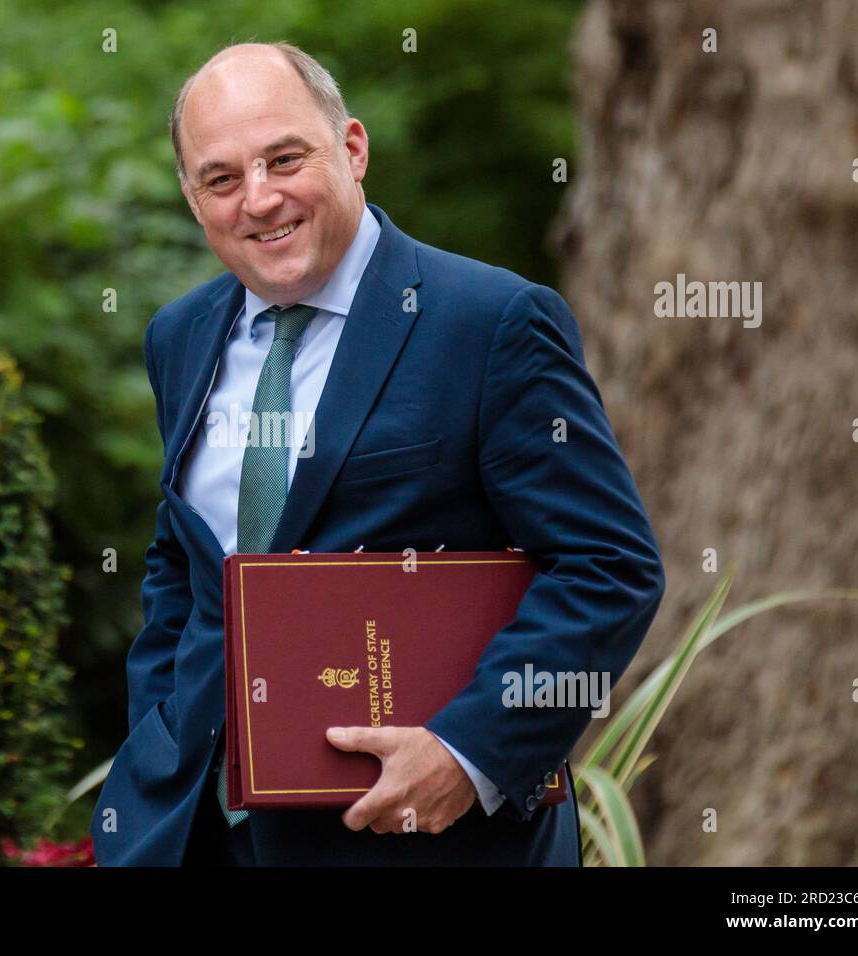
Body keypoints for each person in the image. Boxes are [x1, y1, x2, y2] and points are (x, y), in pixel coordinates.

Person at [90, 41, 665, 866]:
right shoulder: (179, 337)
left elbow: (609, 564)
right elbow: (182, 559)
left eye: (284, 159)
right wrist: (158, 735)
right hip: (200, 832)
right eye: (221, 179)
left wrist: (468, 756)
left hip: (425, 837)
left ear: (352, 149)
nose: (259, 199)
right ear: (192, 198)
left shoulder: (491, 322)